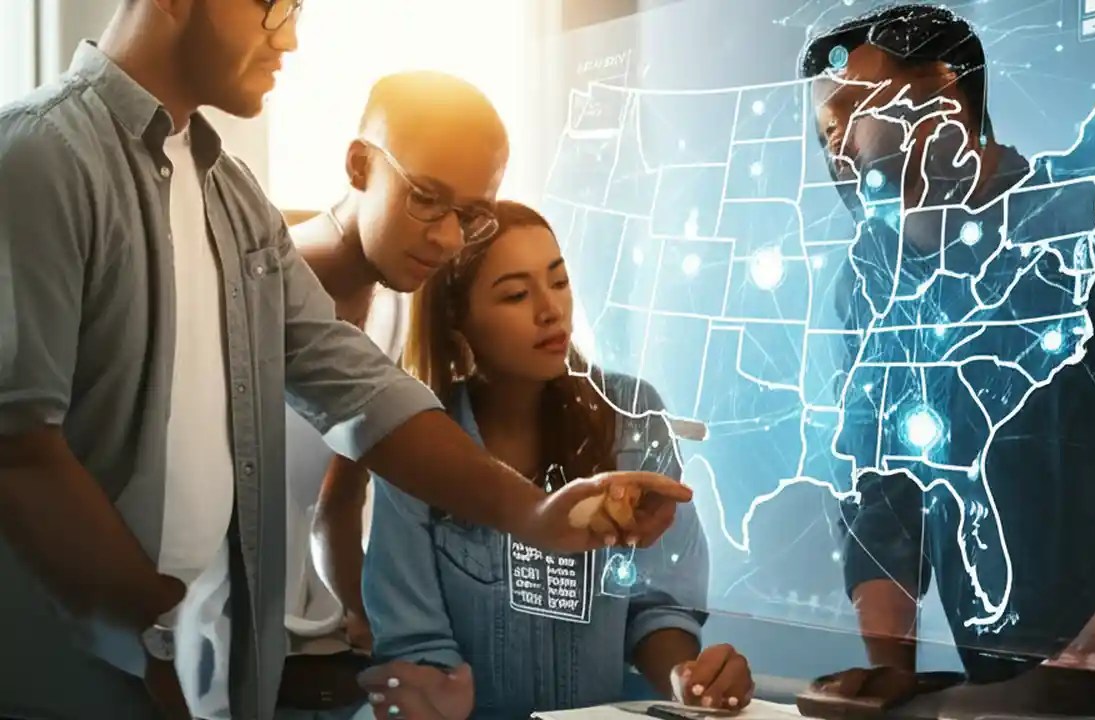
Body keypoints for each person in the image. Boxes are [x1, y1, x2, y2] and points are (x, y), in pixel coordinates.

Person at [0, 2, 691, 718]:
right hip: (80, 676)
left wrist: (538, 514)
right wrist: (152, 641)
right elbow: (18, 448)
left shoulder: (232, 200)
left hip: (207, 671)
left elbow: (359, 390)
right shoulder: (40, 155)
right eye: (273, 7)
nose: (290, 36)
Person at [799, 2, 1095, 693]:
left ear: (942, 99)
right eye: (824, 132)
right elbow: (884, 496)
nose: (837, 151)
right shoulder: (865, 288)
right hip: (1006, 697)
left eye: (853, 117)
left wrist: (1058, 690)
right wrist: (888, 676)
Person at [338, 200, 755, 719]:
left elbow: (658, 607)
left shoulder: (633, 414)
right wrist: (430, 687)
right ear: (457, 320)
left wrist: (689, 676)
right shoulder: (420, 443)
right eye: (516, 294)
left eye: (558, 282)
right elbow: (415, 643)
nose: (550, 310)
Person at [270, 71, 515, 720]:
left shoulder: (405, 312)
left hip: (335, 670)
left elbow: (341, 499)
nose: (448, 238)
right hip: (208, 664)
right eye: (427, 198)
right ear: (359, 165)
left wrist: (363, 617)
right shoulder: (257, 286)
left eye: (472, 214)